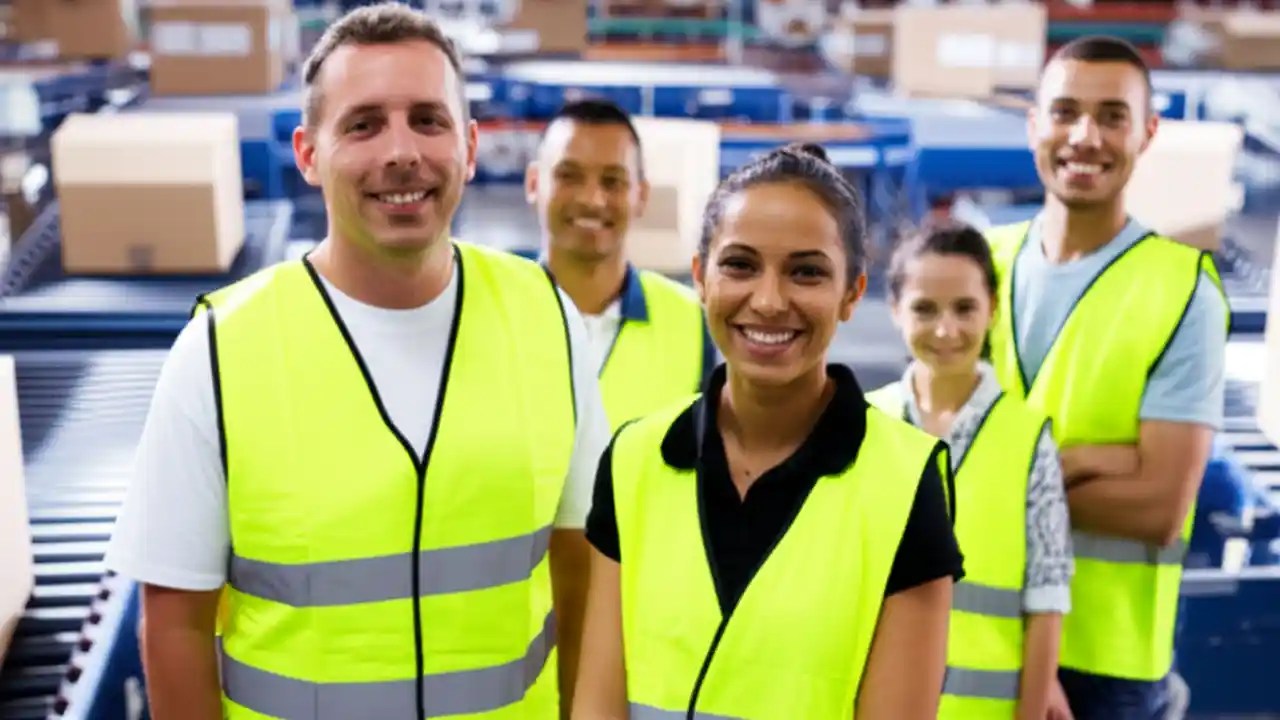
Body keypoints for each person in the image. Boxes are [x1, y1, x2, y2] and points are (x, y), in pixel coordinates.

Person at [103, 4, 609, 719]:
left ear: (468, 146)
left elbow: (581, 564)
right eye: (364, 124)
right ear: (309, 153)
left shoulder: (545, 317)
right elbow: (175, 625)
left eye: (428, 120)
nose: (401, 152)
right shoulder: (221, 350)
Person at [571, 142, 966, 719]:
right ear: (702, 277)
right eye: (741, 265)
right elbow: (598, 708)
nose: (769, 300)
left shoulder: (904, 484)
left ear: (853, 293)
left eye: (806, 272)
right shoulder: (635, 459)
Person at [985, 35, 1229, 718]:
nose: (1084, 136)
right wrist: (1080, 464)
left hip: (1106, 663)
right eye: (1063, 112)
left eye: (1111, 116)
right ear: (1034, 123)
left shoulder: (1182, 290)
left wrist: (997, 482)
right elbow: (932, 450)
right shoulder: (981, 265)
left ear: (1147, 133)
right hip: (979, 630)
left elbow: (1158, 509)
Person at [868, 221, 1076, 720]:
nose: (946, 330)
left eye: (964, 308)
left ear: (993, 310)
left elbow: (1046, 603)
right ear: (895, 310)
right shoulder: (865, 425)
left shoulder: (1028, 440)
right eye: (924, 308)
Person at [526, 98, 716, 429]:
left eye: (612, 181)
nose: (591, 200)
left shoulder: (690, 322)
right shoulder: (487, 305)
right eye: (569, 176)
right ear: (533, 183)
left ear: (641, 195)